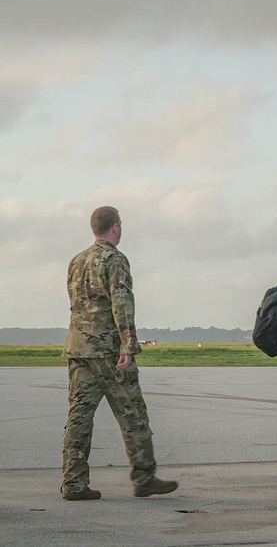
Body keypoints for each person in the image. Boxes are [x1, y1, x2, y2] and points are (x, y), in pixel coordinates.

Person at [61, 206, 178, 501]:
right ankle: (144, 477)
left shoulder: (77, 261)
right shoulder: (114, 259)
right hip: (109, 349)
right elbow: (121, 303)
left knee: (79, 417)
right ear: (115, 227)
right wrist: (128, 344)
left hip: (79, 347)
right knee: (133, 415)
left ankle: (74, 483)